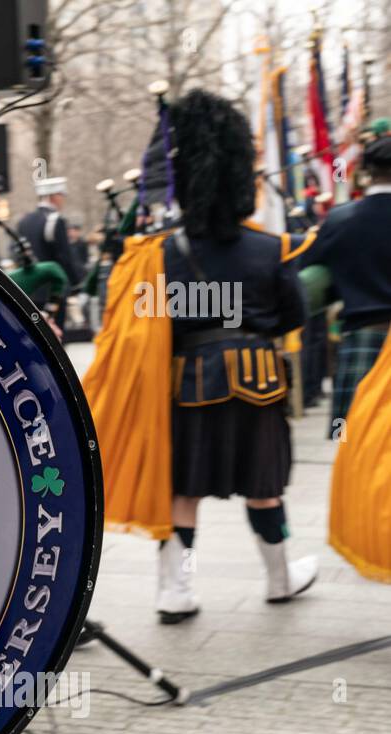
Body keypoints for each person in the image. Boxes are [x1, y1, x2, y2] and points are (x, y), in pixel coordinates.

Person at [151, 91, 317, 622]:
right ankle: (279, 578)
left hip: (191, 379)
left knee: (184, 488)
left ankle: (175, 591)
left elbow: (152, 321)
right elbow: (295, 315)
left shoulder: (165, 250)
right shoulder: (268, 248)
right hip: (259, 377)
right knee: (263, 487)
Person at [303, 135, 391, 438]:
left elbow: (310, 273)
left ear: (366, 171)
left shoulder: (339, 219)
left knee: (354, 442)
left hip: (362, 338)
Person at [16, 178, 84, 309]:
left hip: (31, 291)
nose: (63, 200)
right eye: (61, 195)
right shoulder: (55, 220)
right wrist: (76, 284)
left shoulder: (24, 221)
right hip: (53, 289)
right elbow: (65, 256)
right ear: (54, 196)